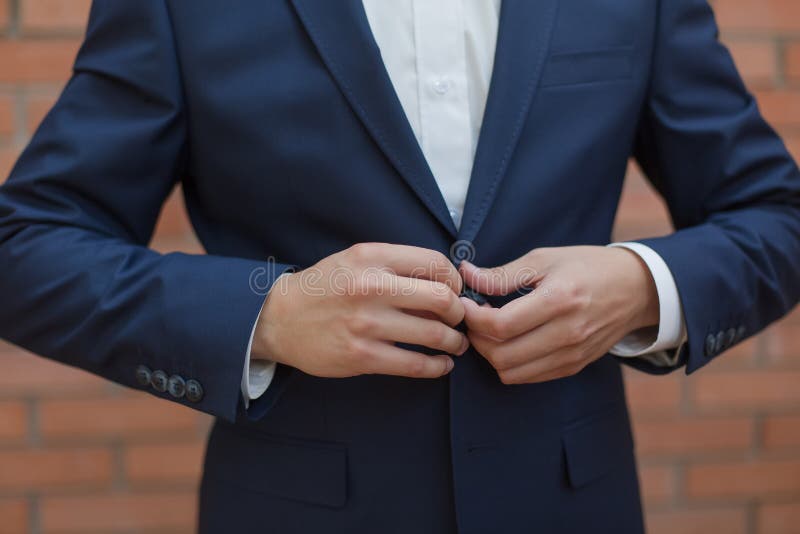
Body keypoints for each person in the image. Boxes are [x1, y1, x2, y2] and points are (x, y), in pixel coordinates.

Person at [1, 1, 798, 532]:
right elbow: (25, 245)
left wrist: (639, 288)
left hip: (571, 508)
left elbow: (777, 214)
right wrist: (268, 313)